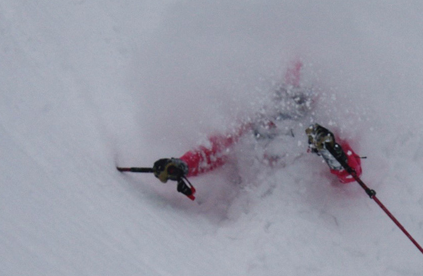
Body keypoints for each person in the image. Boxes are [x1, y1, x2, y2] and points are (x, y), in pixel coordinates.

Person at [148, 73, 362, 200]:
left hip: (302, 216)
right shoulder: (253, 118)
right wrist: (184, 165)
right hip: (250, 217)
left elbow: (352, 173)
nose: (285, 109)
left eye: (297, 100)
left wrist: (332, 153)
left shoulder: (318, 130)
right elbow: (215, 150)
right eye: (282, 95)